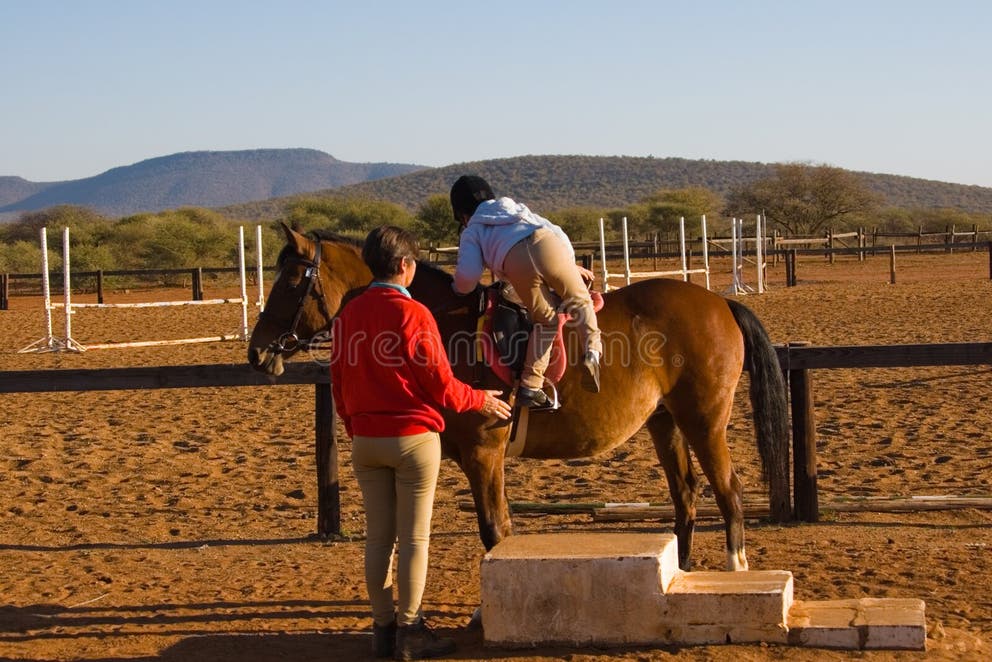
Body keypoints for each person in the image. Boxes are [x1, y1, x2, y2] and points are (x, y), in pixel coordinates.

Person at [330, 225, 511, 660]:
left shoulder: (348, 315)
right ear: (405, 266)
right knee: (413, 540)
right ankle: (410, 630)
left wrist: (356, 428)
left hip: (366, 441)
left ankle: (383, 631)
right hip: (412, 440)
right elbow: (442, 386)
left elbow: (338, 384)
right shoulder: (415, 315)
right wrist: (481, 399)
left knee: (378, 540)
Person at [449, 175, 602, 409]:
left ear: (462, 214)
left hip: (514, 260)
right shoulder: (514, 208)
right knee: (580, 301)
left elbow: (468, 276)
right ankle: (592, 351)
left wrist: (458, 288)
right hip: (548, 243)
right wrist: (569, 264)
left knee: (546, 321)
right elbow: (557, 232)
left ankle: (531, 385)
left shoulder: (473, 230)